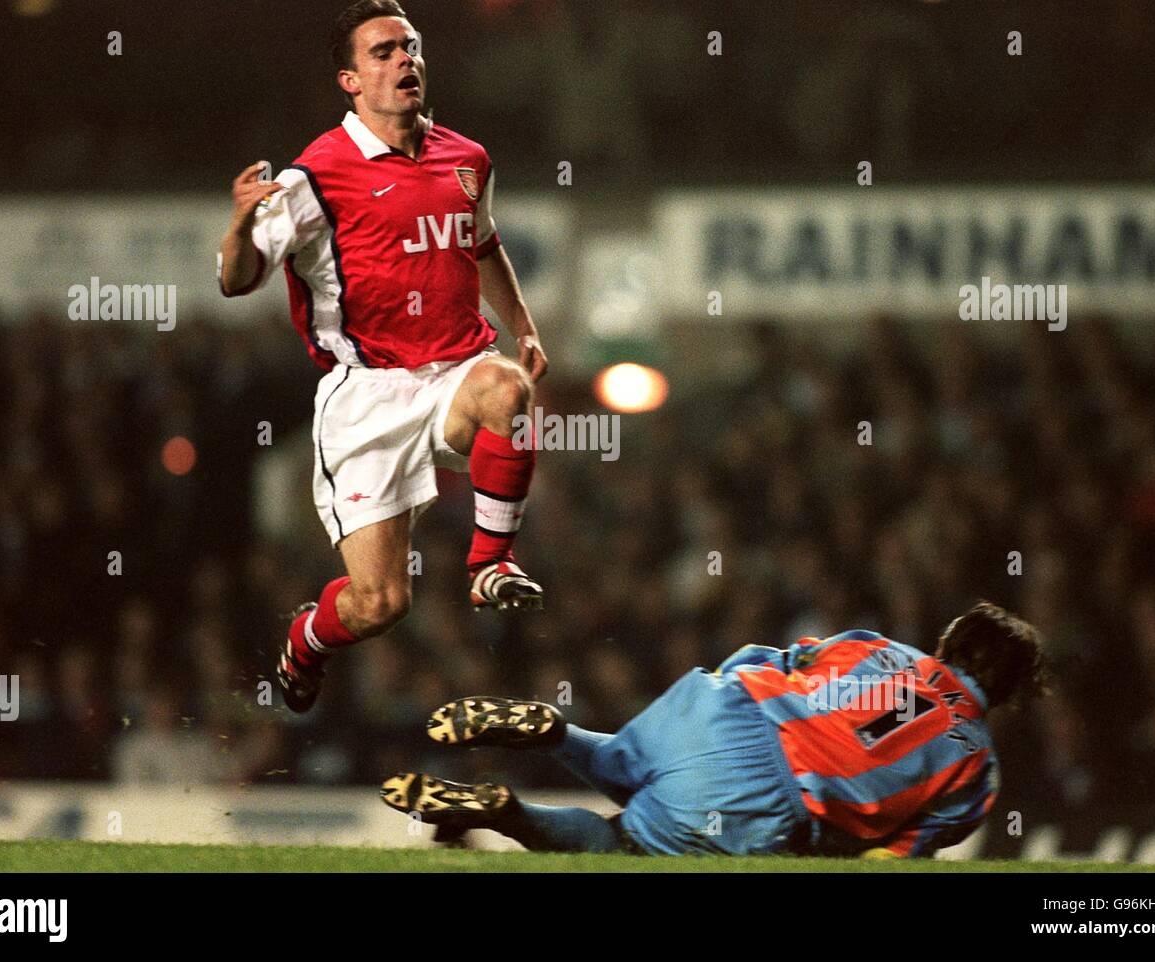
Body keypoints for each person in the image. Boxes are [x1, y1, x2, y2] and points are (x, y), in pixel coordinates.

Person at [217, 1, 549, 713]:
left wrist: (522, 325)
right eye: (383, 52)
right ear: (350, 80)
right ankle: (304, 643)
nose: (404, 60)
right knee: (379, 603)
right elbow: (237, 280)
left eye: (410, 46)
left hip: (454, 370)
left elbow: (482, 244)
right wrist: (240, 227)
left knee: (507, 390)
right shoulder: (315, 177)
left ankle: (491, 564)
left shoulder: (468, 158)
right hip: (366, 397)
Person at [381, 602, 1047, 857]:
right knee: (620, 850)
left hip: (723, 702)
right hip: (767, 795)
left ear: (949, 640)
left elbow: (767, 658)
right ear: (1014, 691)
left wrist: (719, 695)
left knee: (620, 762)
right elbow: (890, 861)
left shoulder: (878, 647)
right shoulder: (975, 767)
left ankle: (552, 731)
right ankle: (506, 811)